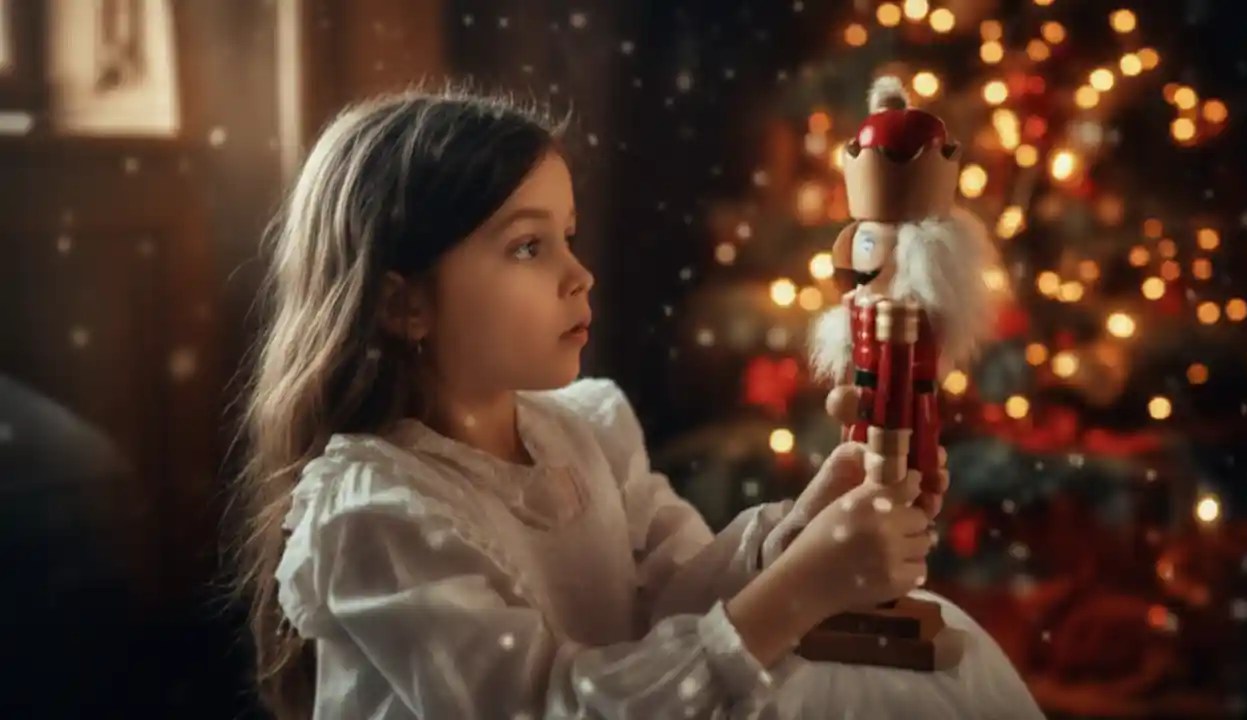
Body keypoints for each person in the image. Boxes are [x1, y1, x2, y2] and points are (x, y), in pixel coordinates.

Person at [232, 86, 1044, 719]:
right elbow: (550, 709)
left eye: (570, 236)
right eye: (527, 246)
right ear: (402, 304)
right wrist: (797, 593)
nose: (578, 275)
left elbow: (669, 600)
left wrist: (797, 534)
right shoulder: (378, 519)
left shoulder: (585, 432)